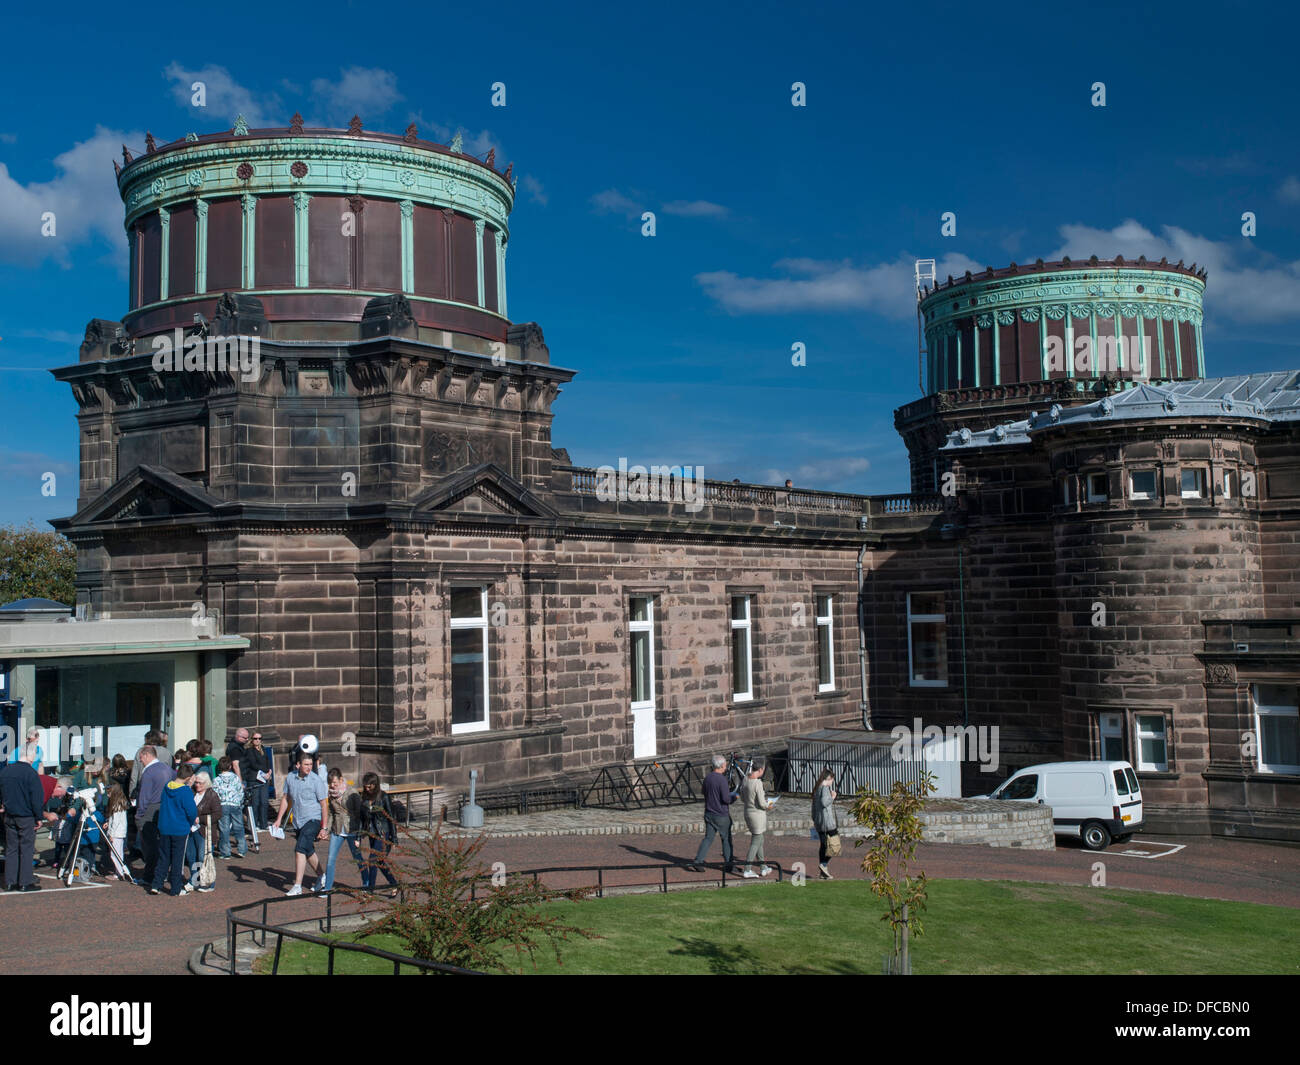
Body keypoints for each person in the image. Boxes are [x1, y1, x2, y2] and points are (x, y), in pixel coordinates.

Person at [272, 751, 328, 896]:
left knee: (299, 849)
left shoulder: (316, 780)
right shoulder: (290, 778)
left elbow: (323, 805)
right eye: (306, 764)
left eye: (311, 764)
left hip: (313, 819)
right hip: (298, 821)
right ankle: (322, 876)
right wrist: (279, 820)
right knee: (308, 851)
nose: (309, 767)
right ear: (298, 765)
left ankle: (297, 886)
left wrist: (324, 827)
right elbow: (285, 799)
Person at [1, 744, 46, 891]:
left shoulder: (6, 771)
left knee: (11, 848)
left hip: (9, 814)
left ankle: (10, 881)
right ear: (31, 756)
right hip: (26, 816)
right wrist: (38, 817)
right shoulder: (31, 774)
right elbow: (36, 798)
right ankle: (25, 882)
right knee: (26, 849)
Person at [686, 754, 738, 873]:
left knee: (708, 838)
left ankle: (698, 861)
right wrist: (735, 797)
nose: (726, 767)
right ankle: (729, 864)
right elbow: (726, 799)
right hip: (721, 814)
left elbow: (704, 792)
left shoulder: (708, 778)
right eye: (725, 765)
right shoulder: (722, 780)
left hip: (709, 812)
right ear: (720, 766)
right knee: (726, 839)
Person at [151, 764, 197, 896]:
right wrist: (190, 822)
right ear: (188, 777)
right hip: (179, 828)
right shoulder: (185, 791)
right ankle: (176, 888)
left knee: (163, 857)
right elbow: (191, 811)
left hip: (165, 827)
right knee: (177, 860)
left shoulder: (167, 786)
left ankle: (157, 884)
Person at [133, 745, 175, 883]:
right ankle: (162, 872)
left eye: (141, 759)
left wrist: (139, 815)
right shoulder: (167, 769)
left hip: (150, 811)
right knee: (162, 844)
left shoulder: (149, 772)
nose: (141, 762)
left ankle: (150, 876)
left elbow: (144, 796)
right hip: (165, 808)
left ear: (146, 755)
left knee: (150, 846)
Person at [319, 768, 365, 892]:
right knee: (330, 859)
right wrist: (326, 829)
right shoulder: (331, 794)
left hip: (352, 829)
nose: (332, 785)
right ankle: (327, 888)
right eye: (330, 783)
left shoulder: (351, 792)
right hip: (338, 830)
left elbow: (361, 813)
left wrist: (360, 833)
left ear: (340, 779)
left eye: (335, 782)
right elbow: (331, 814)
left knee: (358, 858)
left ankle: (367, 886)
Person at [358, 773, 400, 892]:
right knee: (379, 861)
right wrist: (358, 836)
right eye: (365, 786)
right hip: (372, 834)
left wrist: (394, 838)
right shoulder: (364, 797)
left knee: (372, 860)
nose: (367, 789)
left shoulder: (383, 797)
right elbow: (362, 818)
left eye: (369, 787)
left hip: (383, 833)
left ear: (375, 785)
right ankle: (394, 884)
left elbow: (391, 818)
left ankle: (370, 890)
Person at [187, 770, 221, 893]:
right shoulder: (192, 793)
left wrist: (200, 819)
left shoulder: (212, 795)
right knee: (191, 856)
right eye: (196, 783)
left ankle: (208, 882)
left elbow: (218, 814)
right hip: (191, 830)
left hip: (204, 830)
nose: (197, 785)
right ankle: (195, 880)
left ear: (206, 783)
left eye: (200, 783)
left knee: (203, 857)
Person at [741, 759, 774, 878]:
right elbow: (761, 803)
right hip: (757, 815)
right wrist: (769, 805)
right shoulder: (757, 783)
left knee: (760, 840)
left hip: (748, 813)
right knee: (756, 842)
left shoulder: (745, 779)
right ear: (760, 770)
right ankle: (747, 869)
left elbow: (743, 798)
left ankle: (763, 867)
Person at [212, 756, 246, 858]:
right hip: (235, 804)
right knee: (239, 827)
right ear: (230, 766)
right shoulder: (235, 778)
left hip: (222, 805)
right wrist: (240, 802)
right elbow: (240, 791)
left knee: (224, 829)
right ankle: (242, 850)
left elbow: (215, 794)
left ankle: (225, 852)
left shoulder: (216, 780)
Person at [812, 768, 839, 880]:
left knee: (824, 845)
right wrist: (832, 797)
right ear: (829, 778)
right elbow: (824, 802)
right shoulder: (824, 788)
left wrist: (815, 819)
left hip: (819, 822)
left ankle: (823, 871)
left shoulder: (817, 788)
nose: (833, 782)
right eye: (832, 779)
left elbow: (813, 807)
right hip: (827, 823)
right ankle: (823, 864)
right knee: (835, 846)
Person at [240, 731, 270, 830]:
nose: (257, 740)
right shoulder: (249, 751)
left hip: (264, 779)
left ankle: (264, 824)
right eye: (255, 738)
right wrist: (265, 772)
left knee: (264, 802)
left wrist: (269, 772)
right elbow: (253, 764)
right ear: (252, 740)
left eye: (259, 738)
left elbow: (267, 762)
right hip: (254, 779)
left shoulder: (264, 750)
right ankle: (254, 824)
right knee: (255, 802)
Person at [103, 785, 130, 880]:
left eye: (109, 793)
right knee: (119, 853)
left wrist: (111, 834)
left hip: (116, 833)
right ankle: (119, 871)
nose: (108, 795)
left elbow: (116, 822)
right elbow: (114, 820)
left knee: (114, 854)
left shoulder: (116, 805)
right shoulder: (120, 804)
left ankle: (119, 872)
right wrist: (108, 822)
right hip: (120, 833)